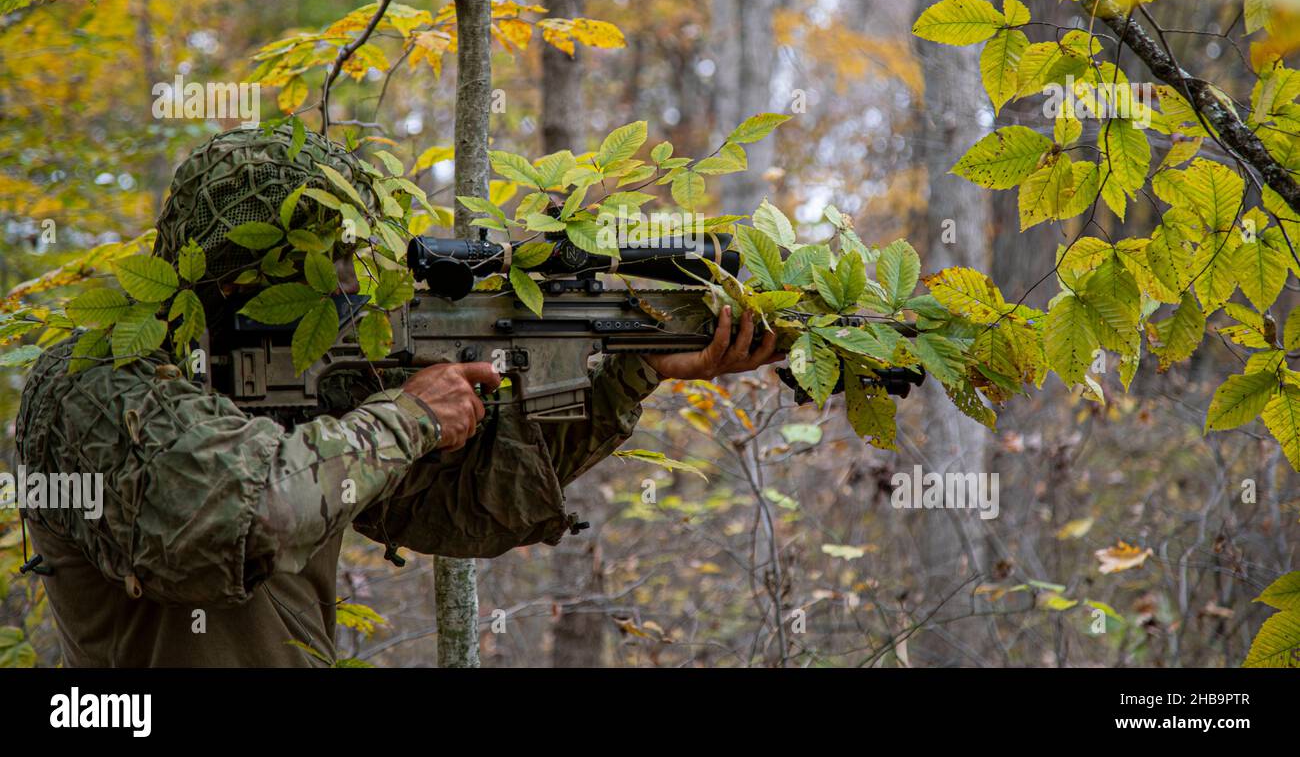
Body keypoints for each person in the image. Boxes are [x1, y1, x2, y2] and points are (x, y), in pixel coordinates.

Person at [15, 127, 779, 667]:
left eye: (344, 272)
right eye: (308, 280)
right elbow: (249, 514)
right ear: (222, 279)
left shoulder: (296, 394)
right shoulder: (91, 382)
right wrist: (409, 414)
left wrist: (629, 366)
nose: (336, 302)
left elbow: (467, 512)